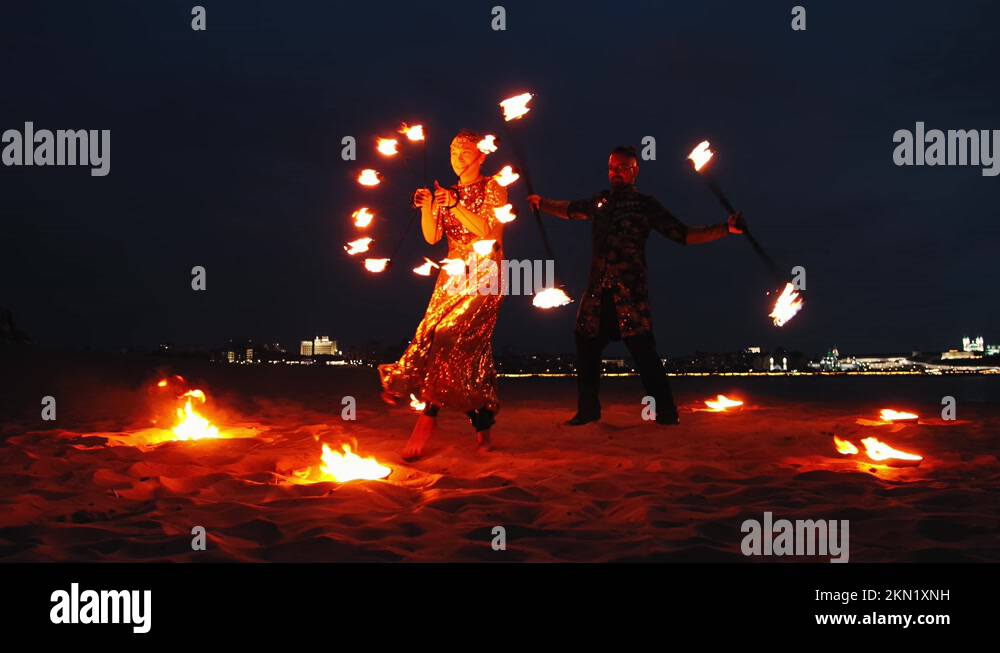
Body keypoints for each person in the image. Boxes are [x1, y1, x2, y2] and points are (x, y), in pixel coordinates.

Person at [528, 145, 744, 426]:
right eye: (611, 167)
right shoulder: (600, 203)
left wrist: (725, 229)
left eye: (621, 167)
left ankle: (666, 412)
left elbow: (683, 234)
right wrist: (542, 202)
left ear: (634, 171)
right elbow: (571, 210)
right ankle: (588, 410)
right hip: (597, 295)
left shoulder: (645, 205)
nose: (615, 172)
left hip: (629, 295)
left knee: (644, 353)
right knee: (586, 347)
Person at [380, 130, 508, 459]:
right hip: (452, 276)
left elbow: (489, 232)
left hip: (485, 276)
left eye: (466, 152)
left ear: (481, 156)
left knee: (449, 336)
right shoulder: (445, 193)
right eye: (454, 153)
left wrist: (456, 205)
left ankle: (428, 417)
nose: (459, 159)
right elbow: (431, 236)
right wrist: (428, 206)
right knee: (462, 351)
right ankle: (483, 433)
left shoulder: (494, 185)